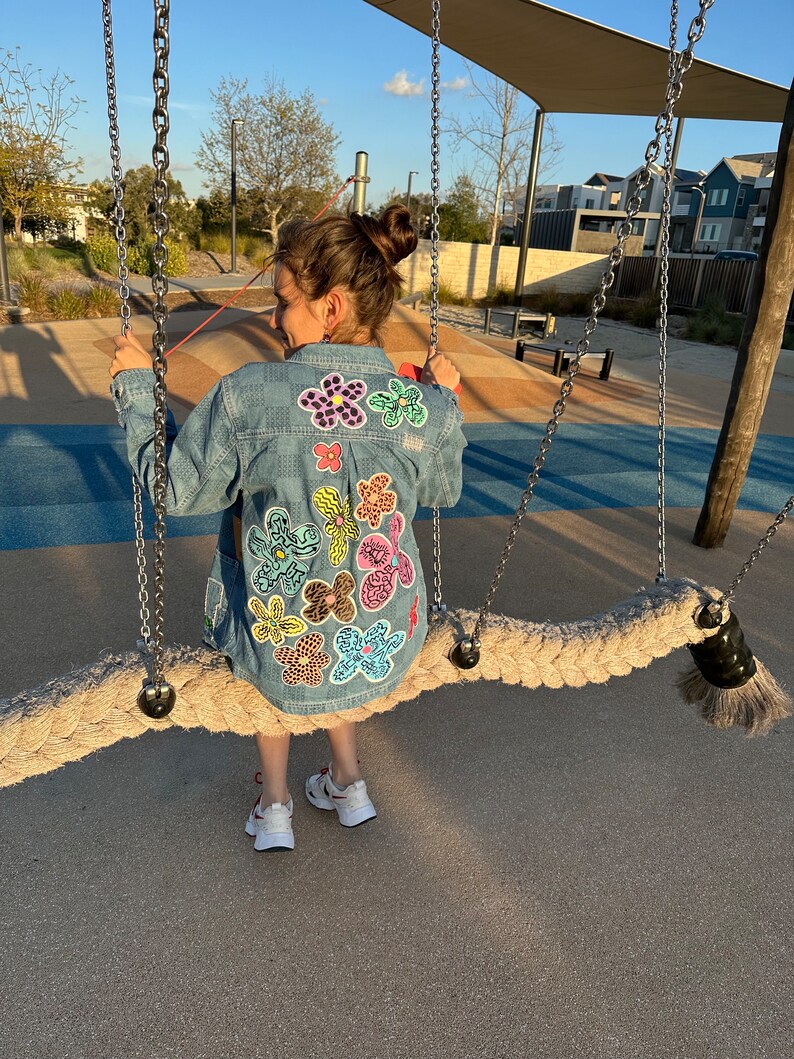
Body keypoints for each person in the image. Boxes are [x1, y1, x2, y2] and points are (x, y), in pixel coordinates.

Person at [109, 205, 465, 852]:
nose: (272, 319)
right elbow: (443, 489)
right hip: (383, 640)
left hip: (283, 647)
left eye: (282, 301)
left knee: (279, 622)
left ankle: (275, 804)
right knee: (339, 613)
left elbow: (174, 488)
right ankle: (349, 781)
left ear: (330, 308)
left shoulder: (251, 394)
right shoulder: (420, 404)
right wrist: (448, 401)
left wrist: (136, 388)